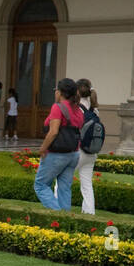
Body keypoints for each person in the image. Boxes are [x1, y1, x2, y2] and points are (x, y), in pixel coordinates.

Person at [35, 78, 84, 211]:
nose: (55, 93)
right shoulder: (78, 110)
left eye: (56, 90)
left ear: (60, 92)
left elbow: (53, 132)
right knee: (64, 188)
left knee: (40, 185)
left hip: (57, 153)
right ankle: (65, 218)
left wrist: (42, 148)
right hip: (73, 153)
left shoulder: (58, 107)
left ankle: (58, 214)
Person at [75, 78, 100, 214]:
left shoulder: (77, 109)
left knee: (62, 179)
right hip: (91, 152)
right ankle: (89, 212)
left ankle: (58, 209)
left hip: (78, 150)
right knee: (87, 184)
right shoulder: (94, 109)